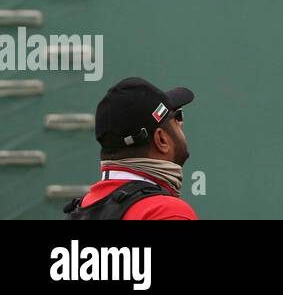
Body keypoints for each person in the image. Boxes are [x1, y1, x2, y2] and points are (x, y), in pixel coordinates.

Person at [64, 77, 198, 220]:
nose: (181, 123)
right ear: (161, 139)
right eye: (177, 117)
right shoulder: (167, 213)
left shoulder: (81, 208)